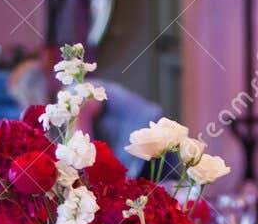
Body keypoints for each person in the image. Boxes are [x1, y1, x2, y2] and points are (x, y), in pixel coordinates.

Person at [9, 57, 165, 175]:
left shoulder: (74, 95)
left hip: (151, 147)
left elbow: (83, 152)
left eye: (22, 100)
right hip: (147, 144)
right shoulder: (70, 96)